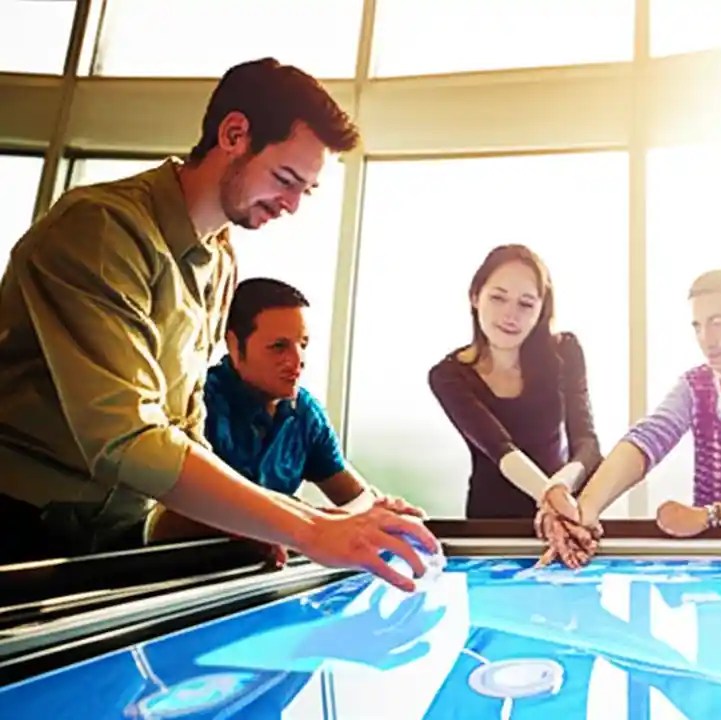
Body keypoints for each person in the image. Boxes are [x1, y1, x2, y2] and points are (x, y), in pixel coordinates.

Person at [0, 58, 433, 591]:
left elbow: (184, 431)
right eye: (285, 179)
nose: (293, 206)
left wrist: (260, 518)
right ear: (233, 134)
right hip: (21, 530)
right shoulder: (101, 230)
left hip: (117, 538)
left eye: (306, 190)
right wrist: (309, 527)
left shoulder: (221, 261)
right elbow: (128, 438)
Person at [538, 270, 721, 567]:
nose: (706, 339)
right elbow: (645, 440)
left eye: (717, 323)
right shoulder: (694, 385)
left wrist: (708, 515)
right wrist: (585, 510)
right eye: (697, 326)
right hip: (716, 563)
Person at [147, 278, 395, 550]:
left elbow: (358, 500)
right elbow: (165, 522)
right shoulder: (198, 406)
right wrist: (300, 523)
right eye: (279, 346)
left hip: (264, 575)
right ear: (233, 345)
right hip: (186, 576)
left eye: (303, 344)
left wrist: (387, 514)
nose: (297, 360)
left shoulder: (305, 414)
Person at [428, 244, 602, 519]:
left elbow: (587, 444)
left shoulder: (565, 351)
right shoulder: (448, 376)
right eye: (498, 298)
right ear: (475, 297)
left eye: (526, 304)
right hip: (491, 525)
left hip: (567, 512)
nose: (511, 315)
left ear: (541, 310)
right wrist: (550, 496)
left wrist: (561, 487)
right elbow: (499, 448)